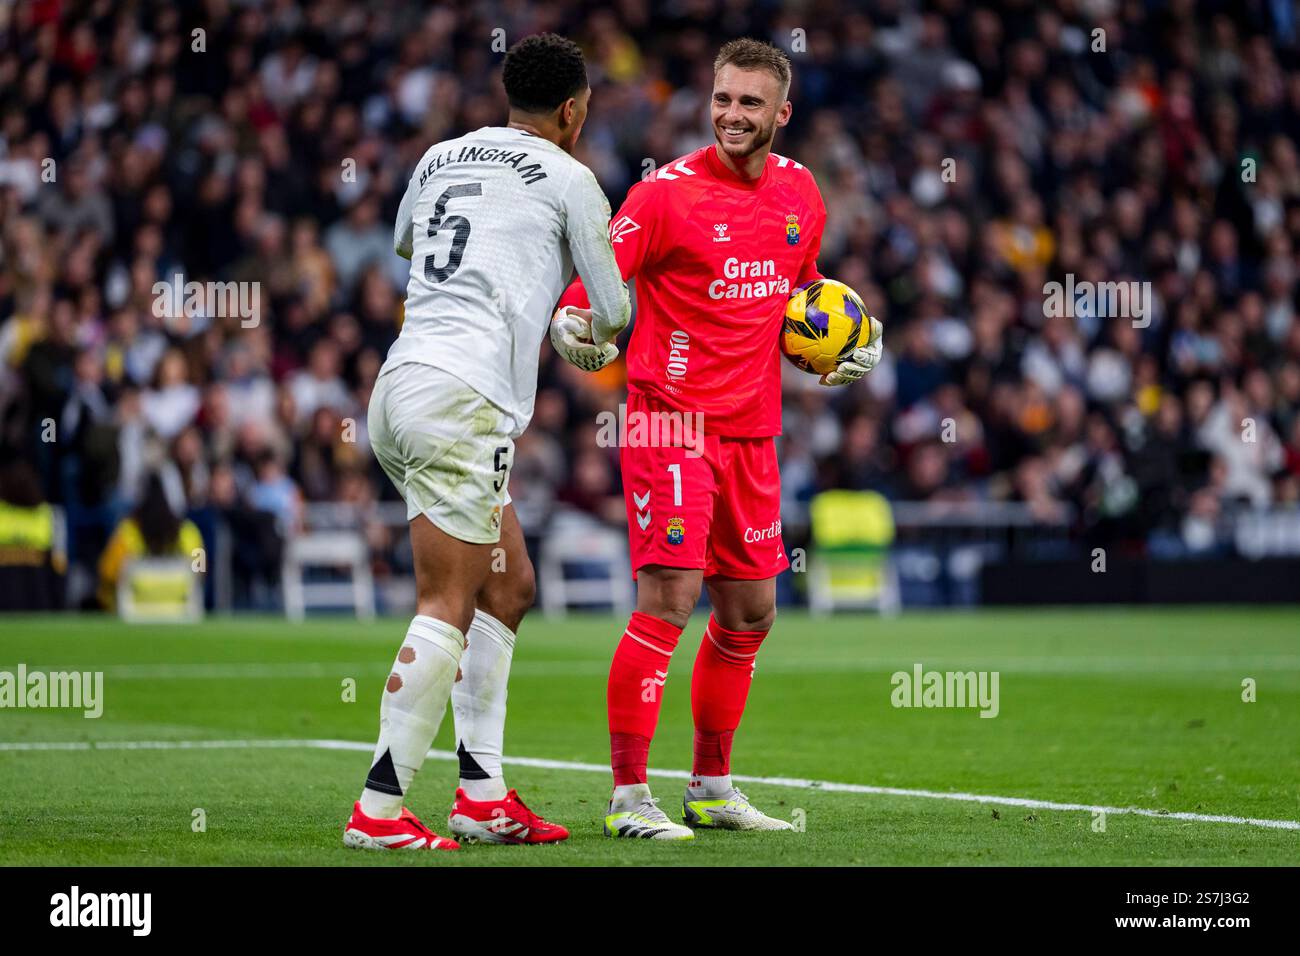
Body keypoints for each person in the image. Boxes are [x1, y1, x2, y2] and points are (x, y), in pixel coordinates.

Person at [554, 38, 881, 839]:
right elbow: (596, 277)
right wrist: (575, 321)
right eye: (723, 100)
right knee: (669, 597)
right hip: (670, 420)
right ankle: (630, 797)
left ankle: (711, 785)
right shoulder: (665, 195)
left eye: (750, 104)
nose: (733, 116)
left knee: (751, 610)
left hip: (752, 432)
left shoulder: (802, 194)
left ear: (782, 114)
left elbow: (800, 297)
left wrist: (839, 344)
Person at [344, 33, 631, 850]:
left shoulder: (440, 155)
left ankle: (482, 798)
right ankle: (379, 810)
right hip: (464, 397)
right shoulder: (574, 179)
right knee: (448, 604)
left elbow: (408, 243)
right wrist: (579, 330)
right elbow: (612, 312)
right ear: (574, 111)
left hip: (401, 388)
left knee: (508, 586)